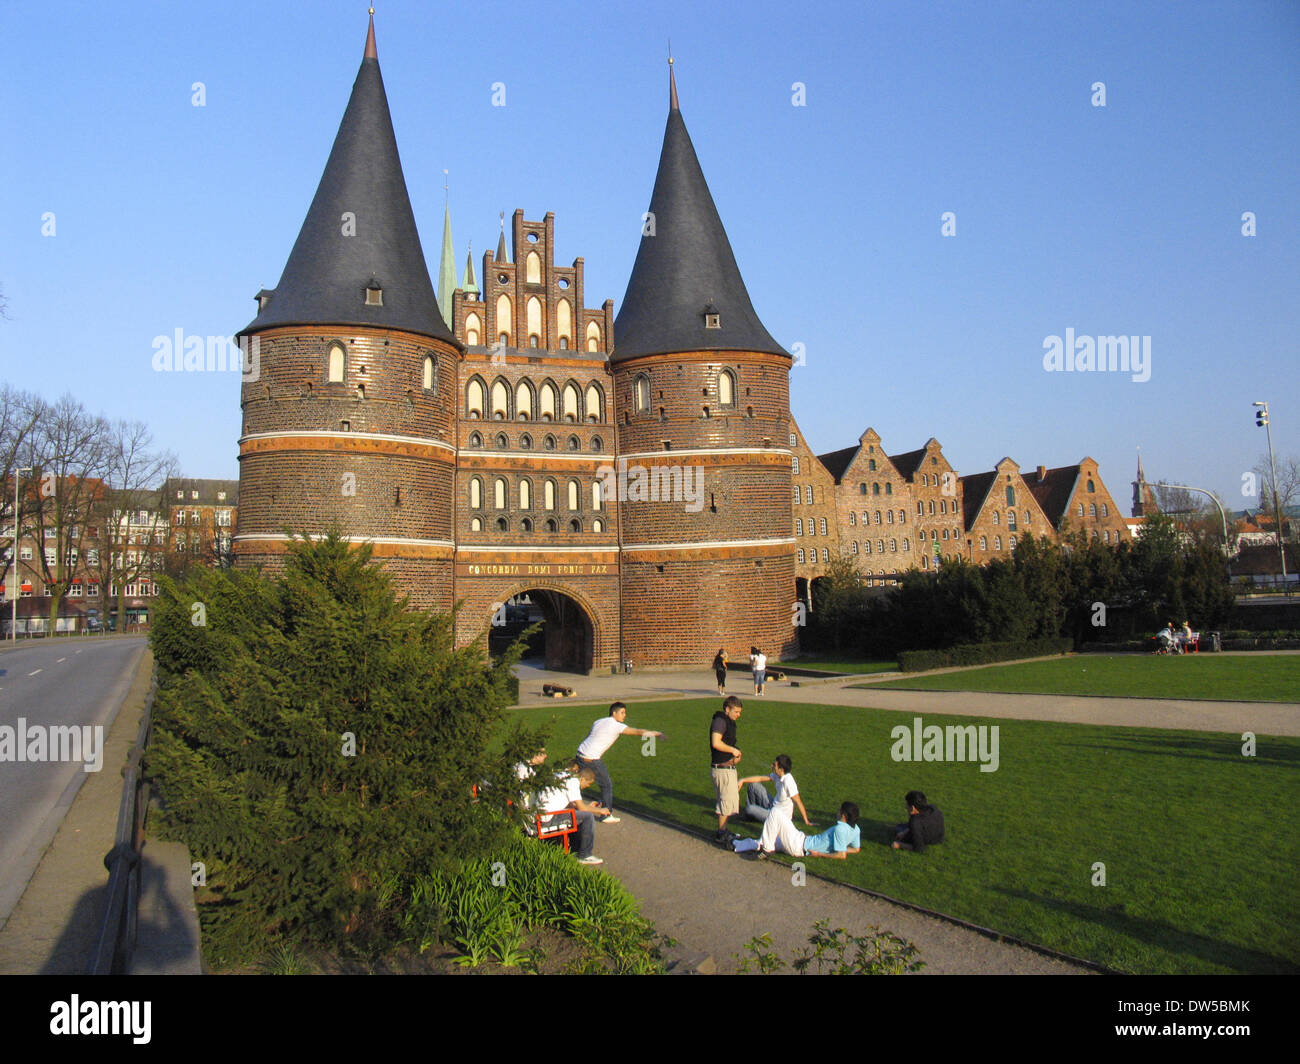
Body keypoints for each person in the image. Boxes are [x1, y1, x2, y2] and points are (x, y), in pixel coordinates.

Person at [575, 701, 663, 823]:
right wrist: (655, 733)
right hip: (591, 758)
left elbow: (589, 736)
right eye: (622, 712)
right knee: (606, 785)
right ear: (614, 713)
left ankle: (571, 804)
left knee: (576, 782)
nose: (624, 715)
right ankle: (606, 815)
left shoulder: (598, 721)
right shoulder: (616, 725)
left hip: (580, 753)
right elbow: (637, 732)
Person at [535, 761, 611, 865]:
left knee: (579, 815)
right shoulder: (573, 782)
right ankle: (585, 855)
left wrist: (588, 807)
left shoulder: (565, 776)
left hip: (543, 814)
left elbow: (573, 805)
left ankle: (575, 849)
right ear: (582, 779)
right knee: (587, 817)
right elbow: (582, 808)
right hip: (548, 819)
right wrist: (600, 810)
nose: (587, 786)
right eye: (588, 783)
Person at [752, 801, 861, 860]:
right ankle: (736, 843)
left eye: (839, 810)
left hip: (798, 846)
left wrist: (819, 854)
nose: (837, 812)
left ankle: (768, 849)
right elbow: (856, 849)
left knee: (775, 812)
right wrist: (836, 848)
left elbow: (841, 855)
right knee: (761, 841)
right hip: (801, 840)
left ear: (843, 815)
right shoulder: (856, 829)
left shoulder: (840, 829)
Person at [738, 754, 811, 826]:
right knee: (753, 785)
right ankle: (749, 817)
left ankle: (753, 814)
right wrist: (743, 780)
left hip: (778, 817)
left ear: (781, 769)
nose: (771, 766)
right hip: (773, 805)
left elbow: (798, 801)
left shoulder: (789, 782)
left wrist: (806, 821)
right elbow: (760, 778)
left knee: (749, 809)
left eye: (774, 765)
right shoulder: (777, 775)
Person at [710, 695, 744, 844]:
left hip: (727, 767)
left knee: (729, 801)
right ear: (727, 709)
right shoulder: (720, 722)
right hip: (722, 770)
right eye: (736, 711)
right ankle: (721, 833)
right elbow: (716, 743)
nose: (738, 715)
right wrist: (733, 750)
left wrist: (735, 754)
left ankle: (724, 831)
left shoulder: (727, 722)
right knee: (725, 801)